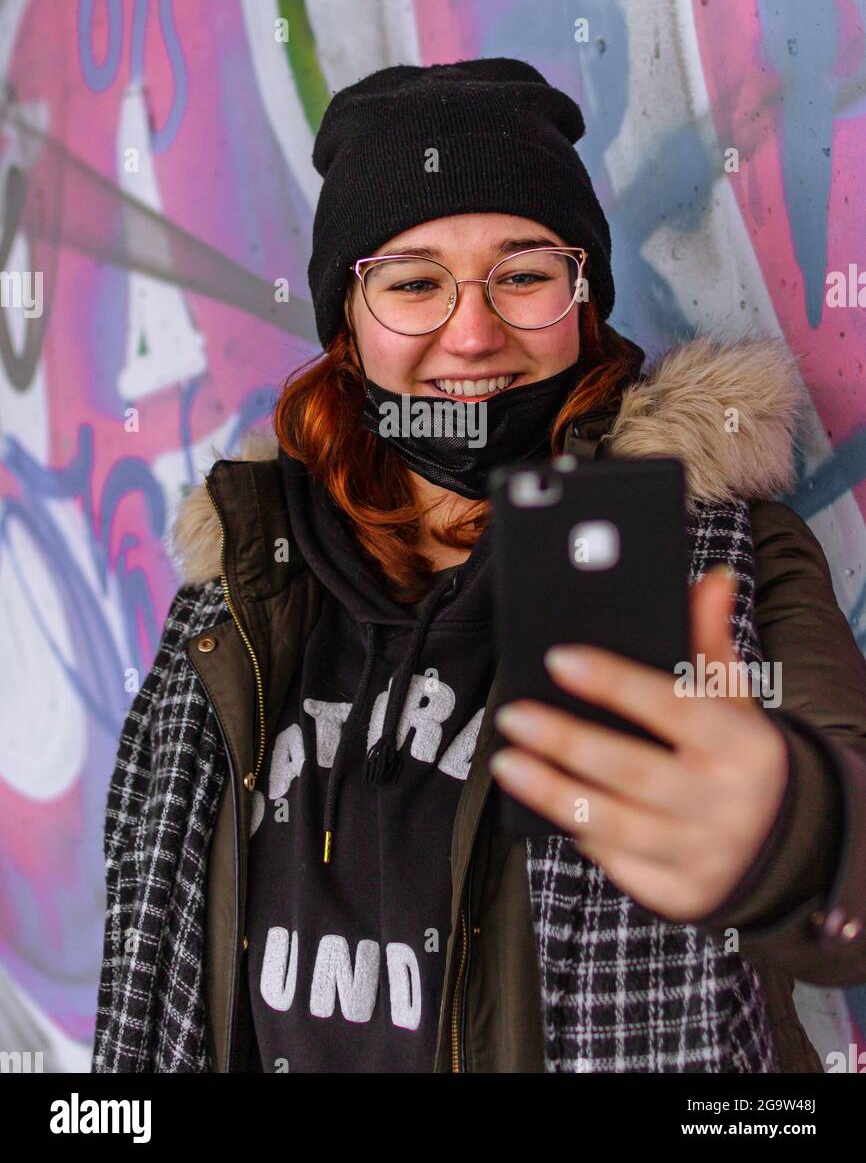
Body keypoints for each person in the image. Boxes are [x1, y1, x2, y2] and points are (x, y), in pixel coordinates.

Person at [93, 58, 866, 1074]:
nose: (471, 331)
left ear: (579, 297)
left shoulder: (716, 553)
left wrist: (787, 831)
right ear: (348, 327)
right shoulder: (242, 584)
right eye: (414, 282)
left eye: (522, 273)